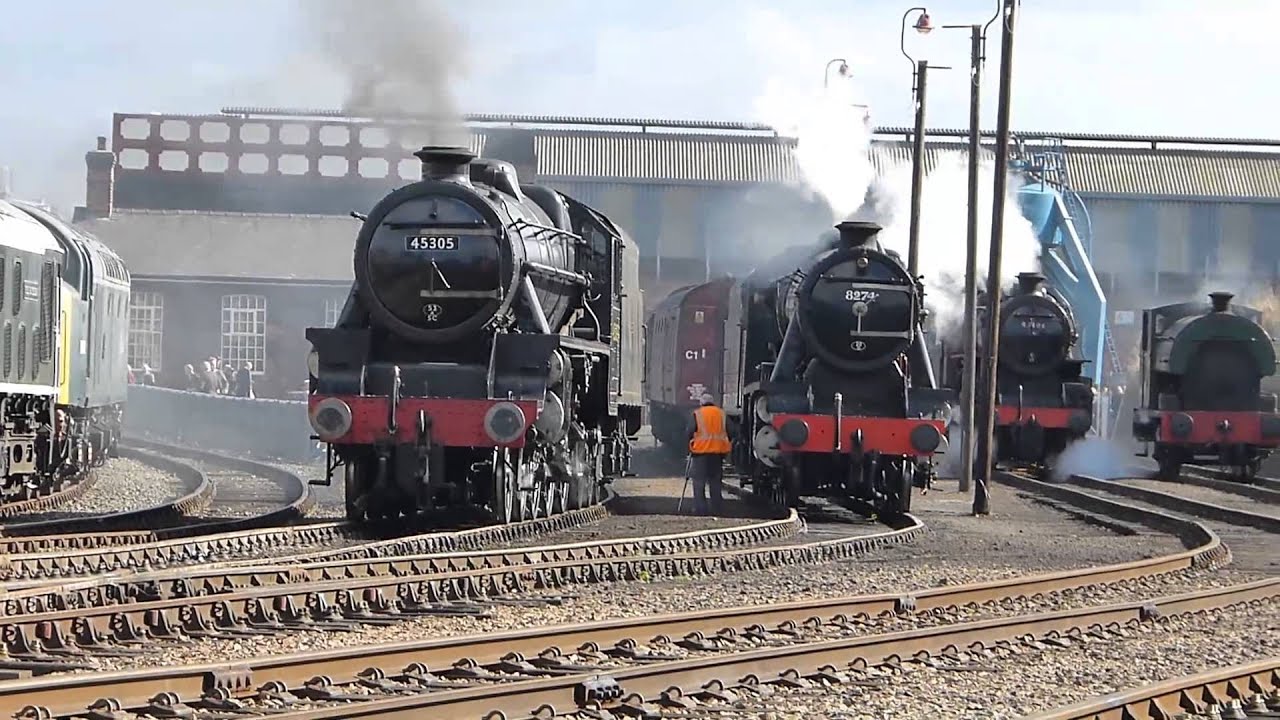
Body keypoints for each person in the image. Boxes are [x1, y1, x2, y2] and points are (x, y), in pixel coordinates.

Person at [685, 393, 732, 515]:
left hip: (700, 454)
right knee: (715, 483)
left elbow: (689, 431)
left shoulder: (698, 414)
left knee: (699, 483)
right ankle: (717, 509)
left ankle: (700, 509)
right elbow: (732, 431)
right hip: (717, 454)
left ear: (701, 403)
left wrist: (690, 447)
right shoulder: (721, 414)